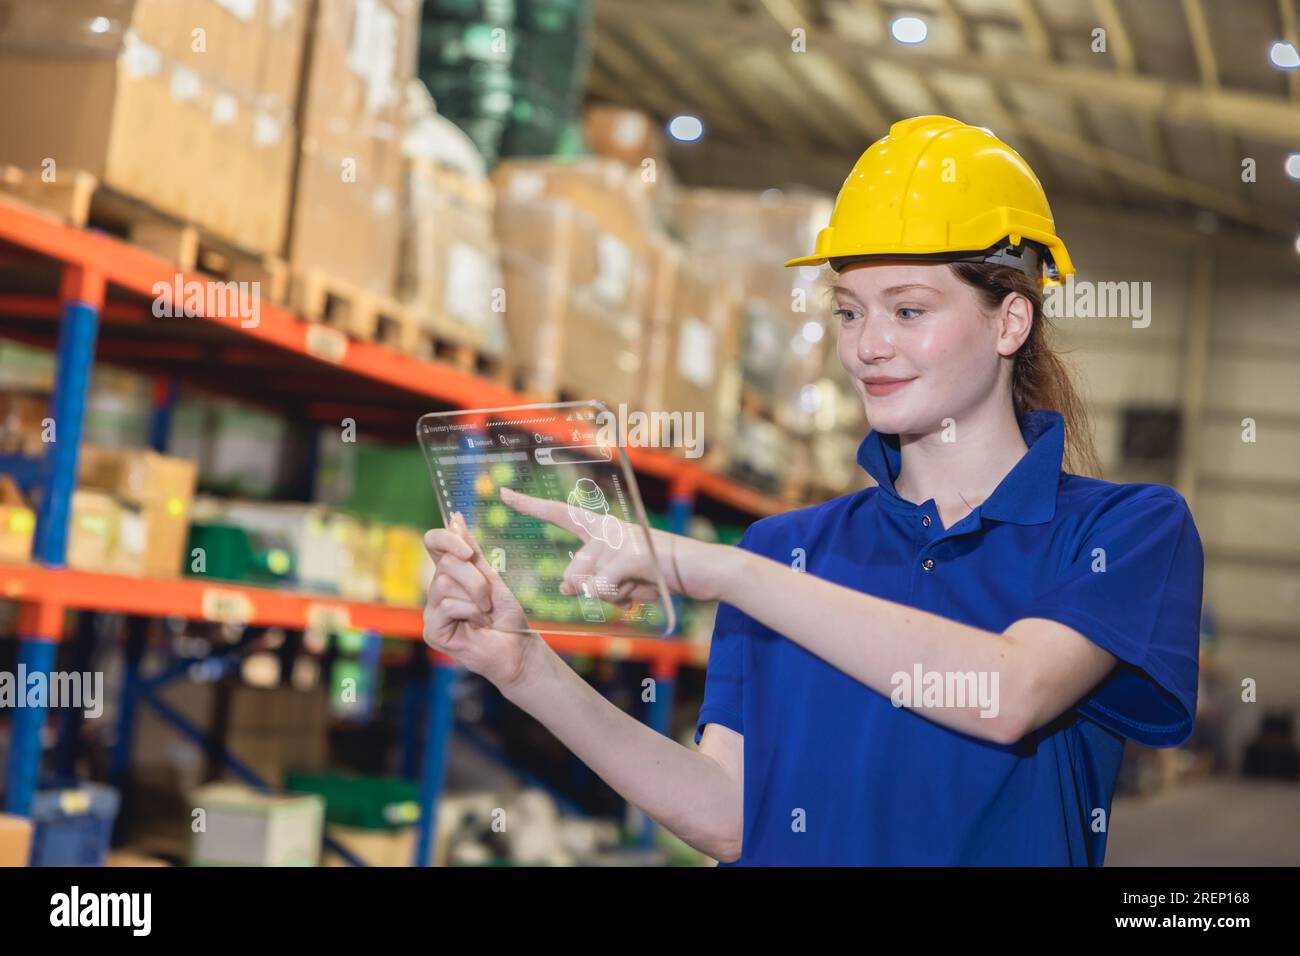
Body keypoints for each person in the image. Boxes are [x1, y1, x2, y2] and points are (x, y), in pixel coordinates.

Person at [422, 116, 1205, 866]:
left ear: (1010, 323)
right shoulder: (788, 549)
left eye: (908, 310)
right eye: (849, 311)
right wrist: (527, 670)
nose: (867, 347)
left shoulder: (1122, 532)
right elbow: (727, 817)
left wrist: (718, 569)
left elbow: (1008, 694)